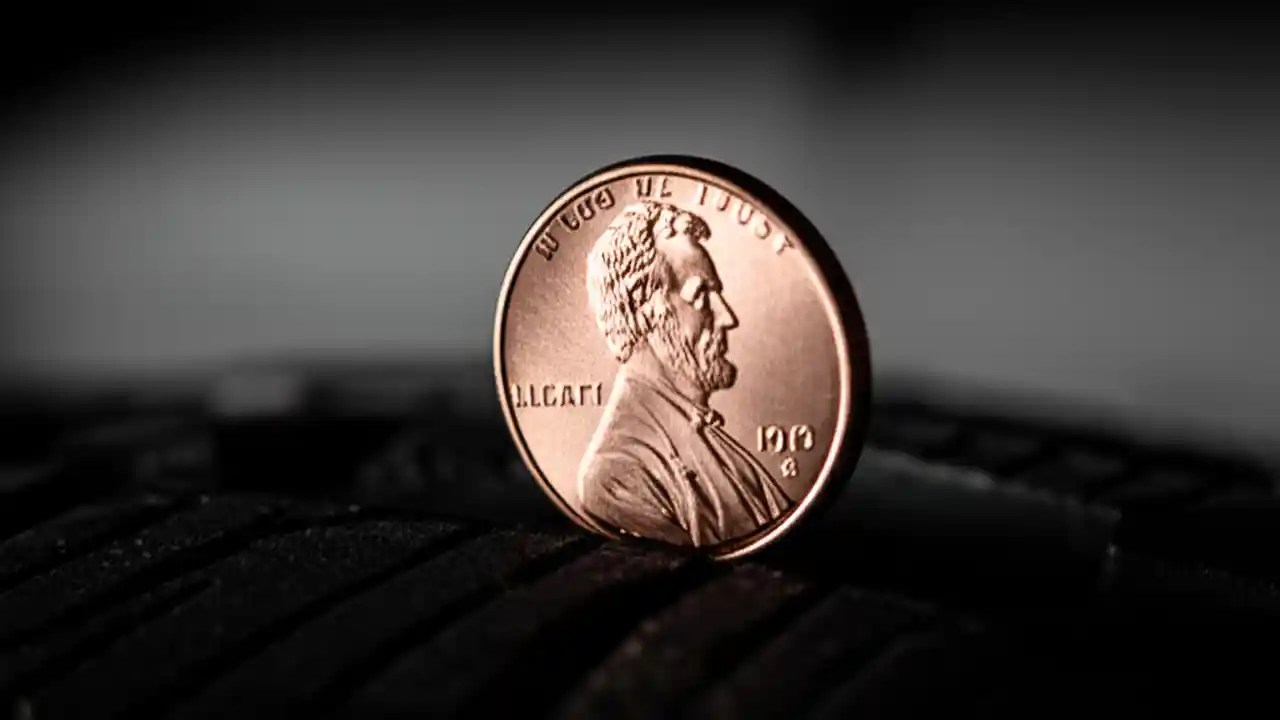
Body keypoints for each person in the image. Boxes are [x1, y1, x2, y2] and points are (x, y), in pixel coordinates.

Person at [577, 200, 793, 546]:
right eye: (701, 295)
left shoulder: (713, 440)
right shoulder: (616, 474)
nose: (727, 317)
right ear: (642, 304)